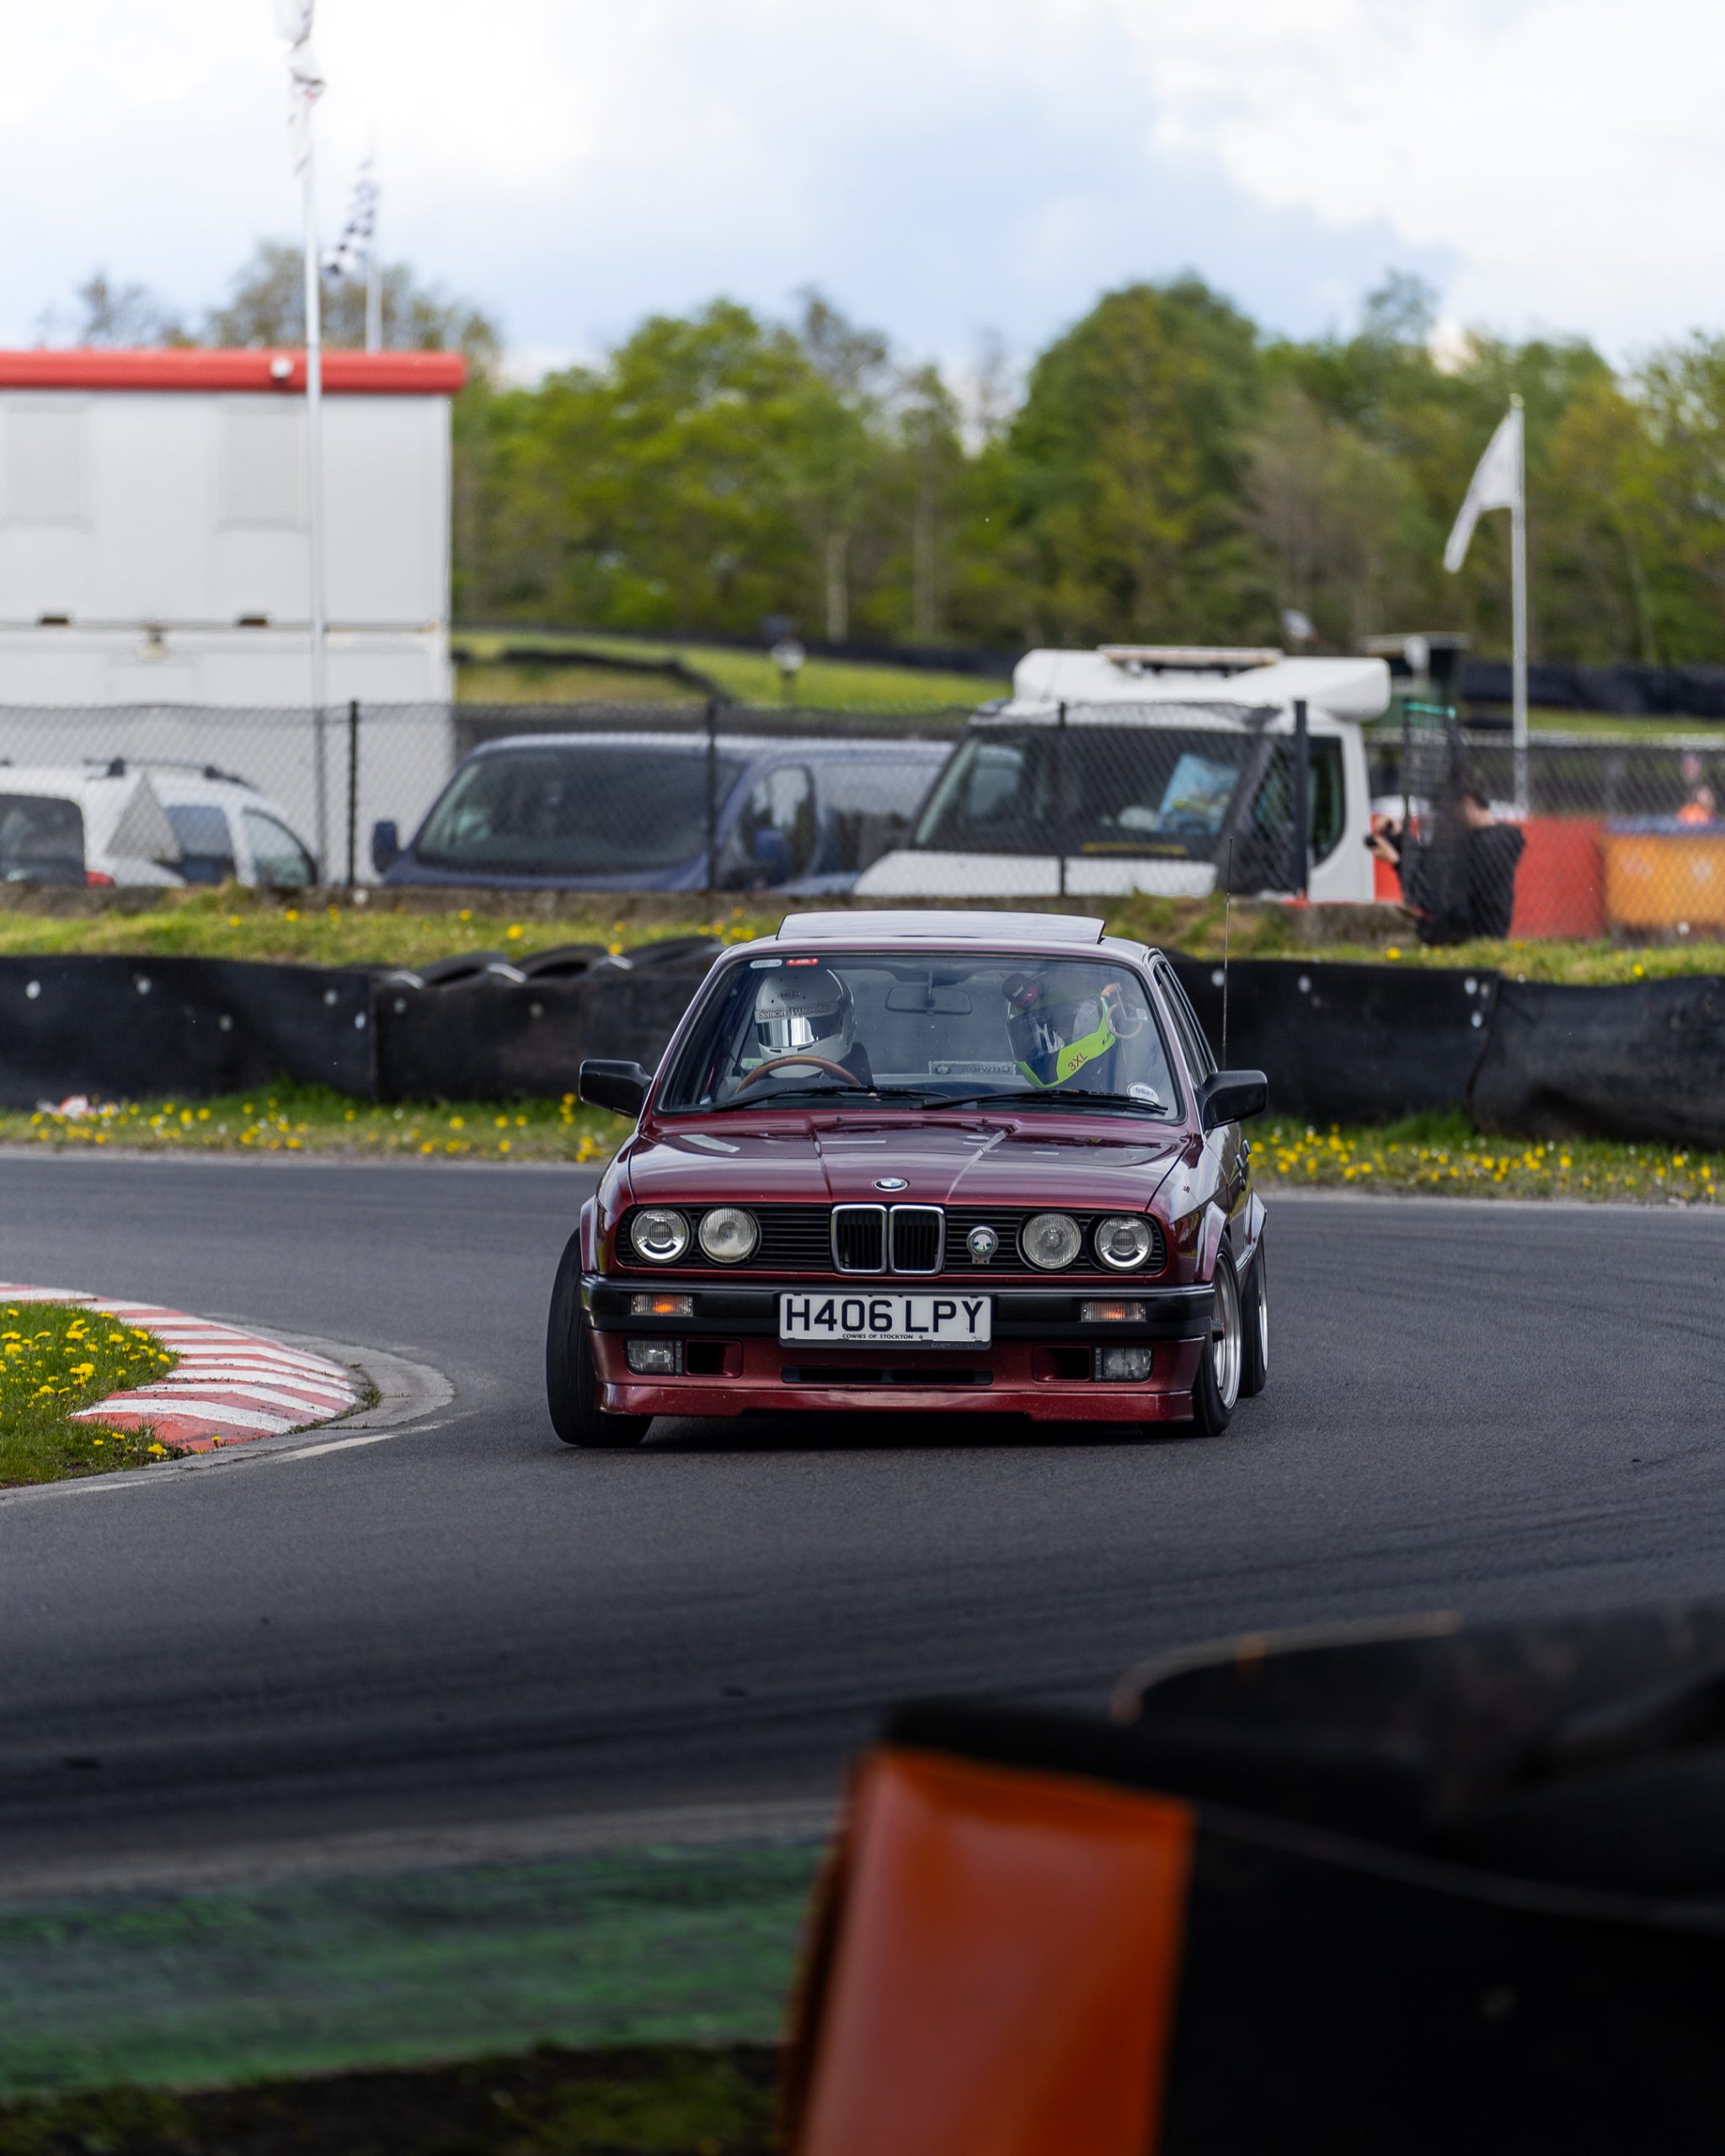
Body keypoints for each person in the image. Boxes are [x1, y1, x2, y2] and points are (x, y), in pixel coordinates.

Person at [1368, 776, 1525, 943]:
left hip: (1470, 939)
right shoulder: (1486, 839)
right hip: (1464, 935)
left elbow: (1430, 900)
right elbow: (1432, 863)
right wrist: (1400, 838)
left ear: (1468, 801)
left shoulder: (1486, 847)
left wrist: (1396, 861)